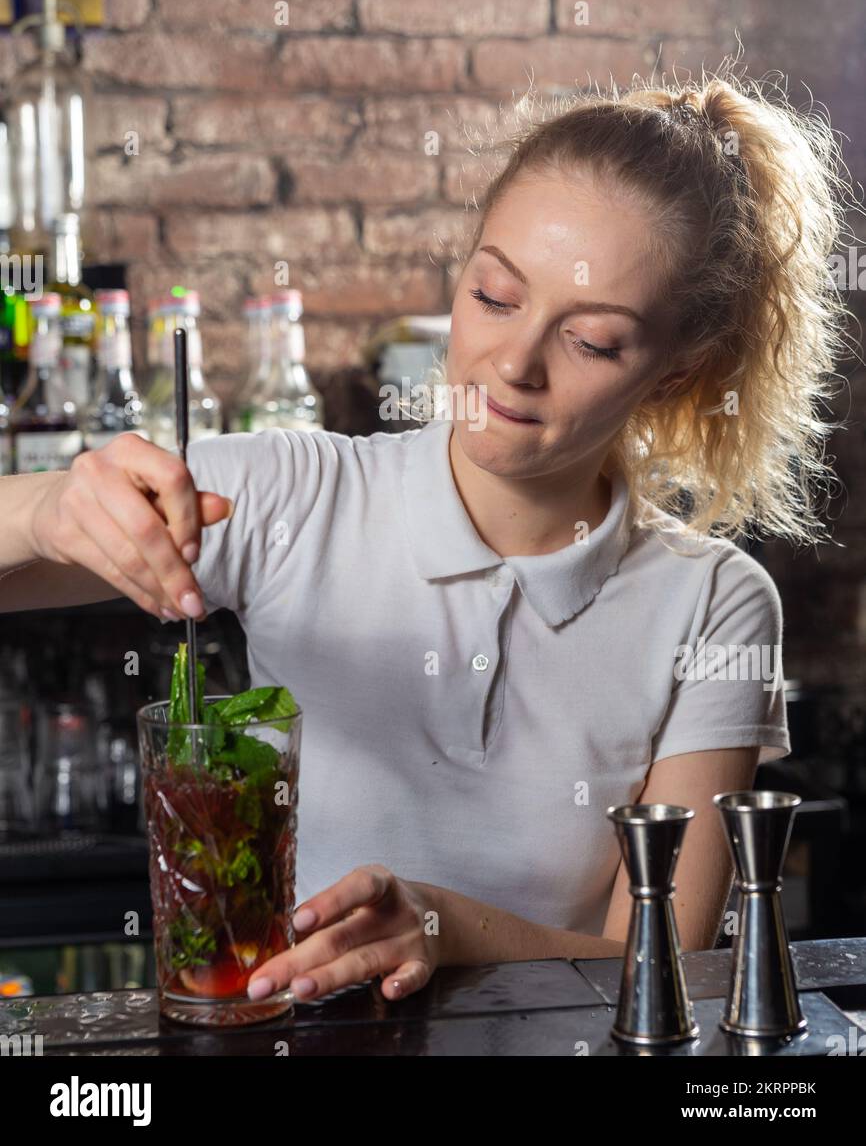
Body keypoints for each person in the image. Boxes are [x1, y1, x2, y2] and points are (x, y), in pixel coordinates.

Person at [0, 67, 851, 1008]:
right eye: (494, 296)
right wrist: (44, 511)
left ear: (676, 373)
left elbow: (668, 967)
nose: (514, 364)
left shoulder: (715, 603)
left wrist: (446, 929)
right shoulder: (298, 494)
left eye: (594, 341)